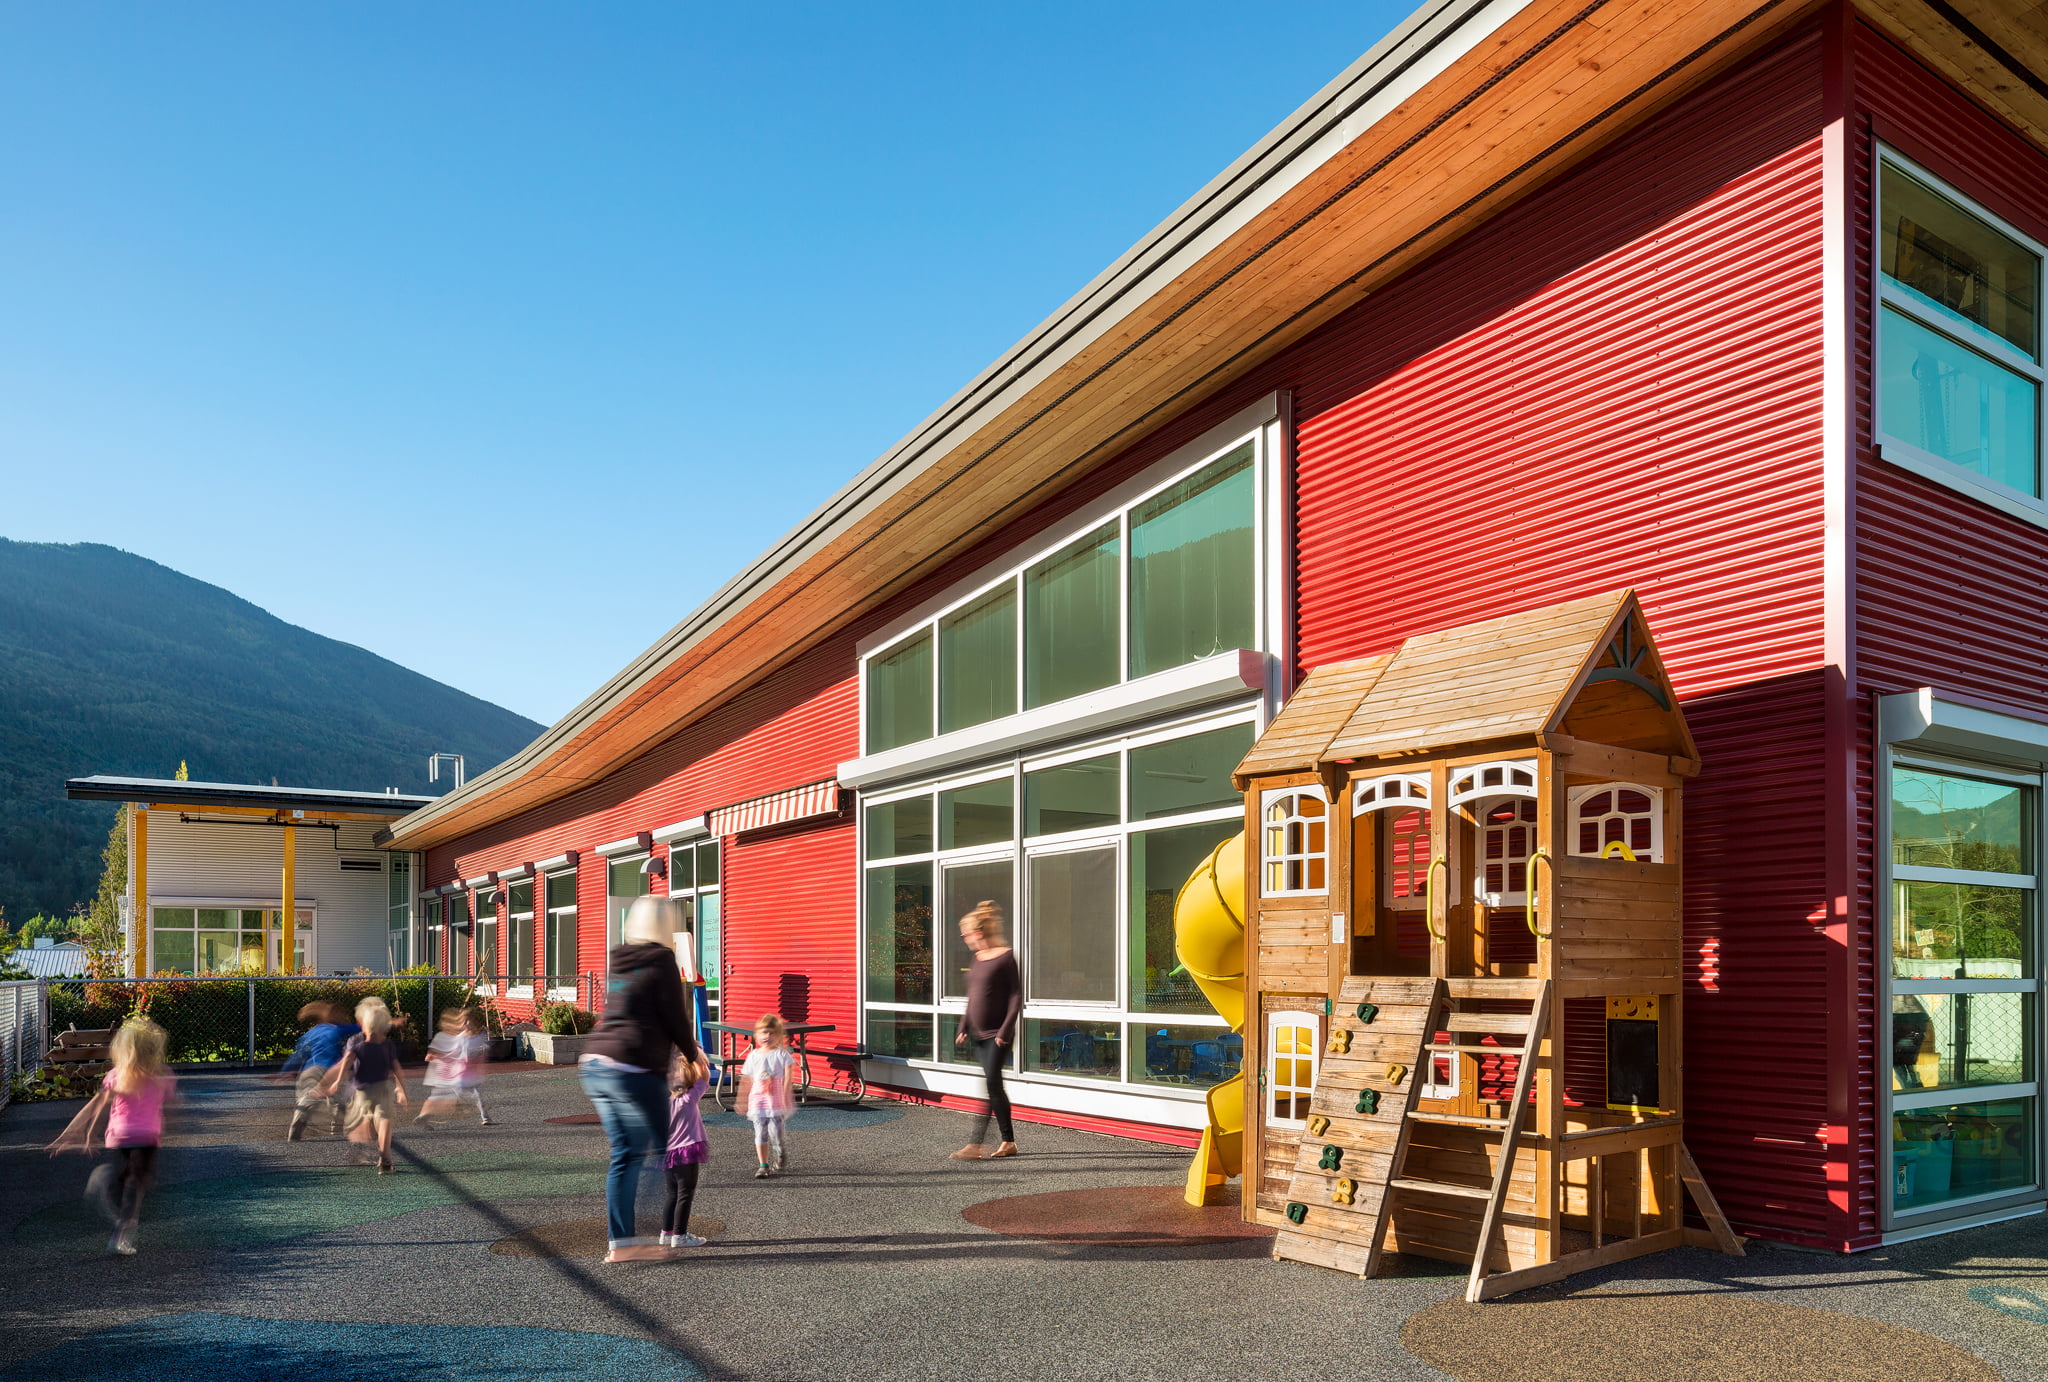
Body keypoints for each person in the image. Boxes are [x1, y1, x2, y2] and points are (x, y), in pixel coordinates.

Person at [580, 895, 705, 1263]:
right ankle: (665, 1233)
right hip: (633, 1067)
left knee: (625, 1155)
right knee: (664, 1148)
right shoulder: (662, 958)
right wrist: (692, 1052)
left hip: (595, 1064)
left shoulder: (619, 957)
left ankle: (621, 1245)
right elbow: (674, 1015)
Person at [48, 1016, 176, 1255]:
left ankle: (108, 1182)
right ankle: (123, 1231)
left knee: (128, 1180)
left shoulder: (118, 1075)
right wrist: (173, 1121)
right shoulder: (162, 1075)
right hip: (147, 1137)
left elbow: (94, 1107)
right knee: (137, 1185)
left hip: (119, 1137)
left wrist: (74, 1133)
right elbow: (171, 1106)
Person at [951, 900, 1021, 1161]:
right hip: (979, 1035)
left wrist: (1005, 1030)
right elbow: (974, 996)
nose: (965, 938)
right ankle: (1008, 1142)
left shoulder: (1005, 956)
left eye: (966, 933)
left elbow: (1016, 996)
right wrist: (964, 1025)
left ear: (978, 933)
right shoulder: (978, 958)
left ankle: (975, 1144)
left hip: (998, 1035)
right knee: (995, 1087)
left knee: (990, 1085)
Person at [320, 997, 409, 1174]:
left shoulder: (358, 1045)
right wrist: (402, 1090)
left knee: (367, 1119)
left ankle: (364, 1143)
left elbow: (346, 1061)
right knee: (384, 1124)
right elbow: (397, 1069)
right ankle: (385, 1159)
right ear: (383, 1026)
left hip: (362, 1092)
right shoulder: (387, 1045)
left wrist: (336, 1082)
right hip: (382, 1089)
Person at [278, 1000, 357, 1140]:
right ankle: (336, 1132)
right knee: (337, 1101)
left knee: (307, 1099)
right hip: (330, 1071)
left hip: (310, 1070)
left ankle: (296, 1127)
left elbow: (298, 1054)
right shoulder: (336, 1029)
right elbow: (361, 1028)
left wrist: (286, 1071)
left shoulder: (311, 1033)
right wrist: (389, 1023)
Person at [661, 1050, 711, 1249]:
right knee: (685, 1194)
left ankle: (666, 1232)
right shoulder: (689, 1098)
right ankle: (680, 1235)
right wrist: (695, 1054)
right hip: (686, 1152)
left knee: (672, 1194)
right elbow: (705, 1074)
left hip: (666, 1154)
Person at [741, 1013, 797, 1178]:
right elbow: (746, 1079)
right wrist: (742, 1100)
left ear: (779, 1036)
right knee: (760, 1133)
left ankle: (779, 1150)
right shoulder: (753, 1056)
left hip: (776, 1101)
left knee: (776, 1134)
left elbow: (788, 1076)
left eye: (772, 1033)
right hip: (758, 1101)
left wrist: (786, 1094)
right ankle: (763, 1166)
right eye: (764, 1032)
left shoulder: (782, 1055)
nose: (767, 1036)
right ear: (756, 1035)